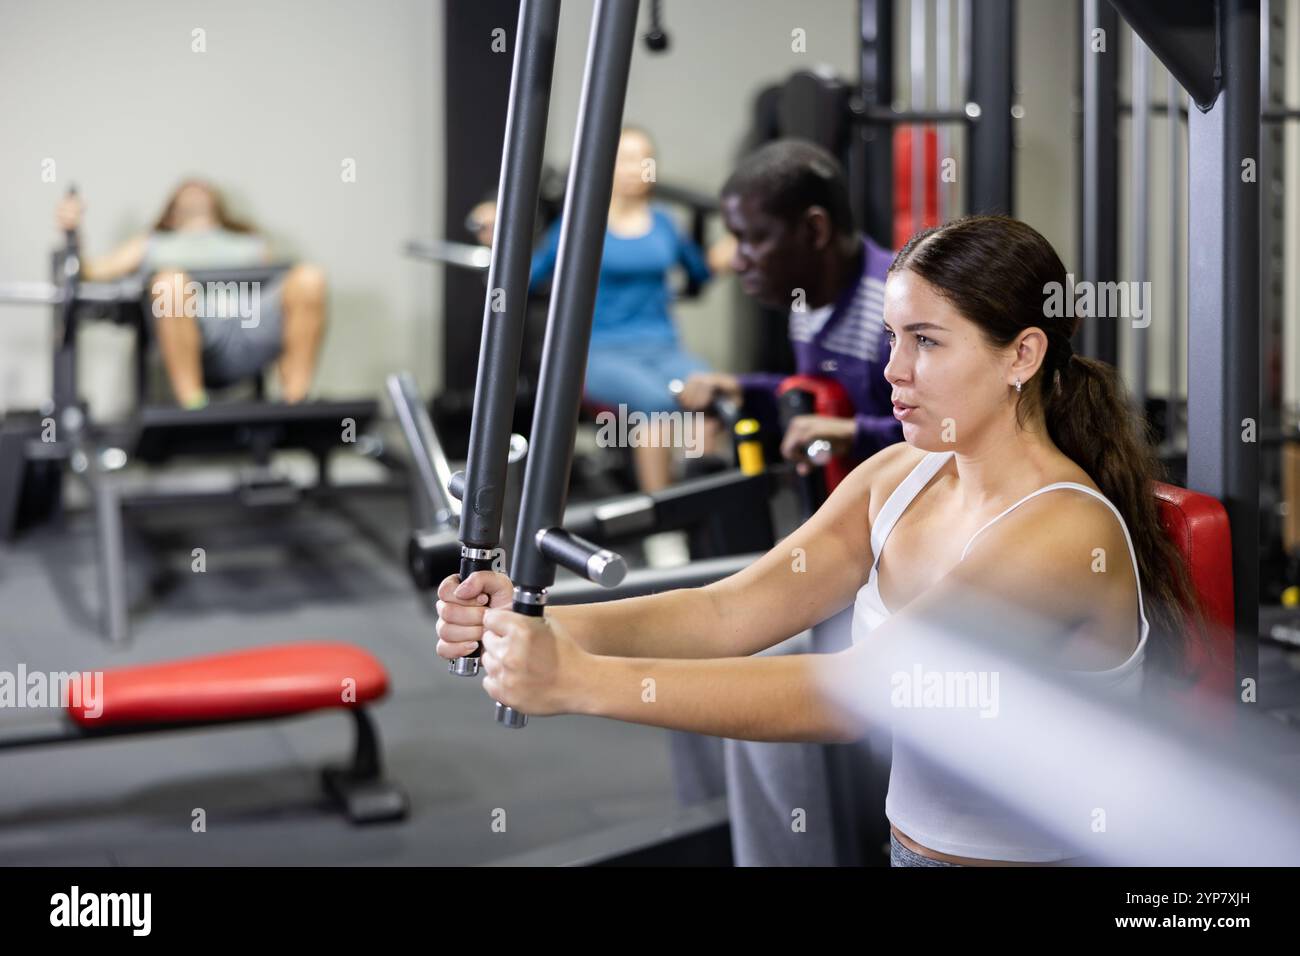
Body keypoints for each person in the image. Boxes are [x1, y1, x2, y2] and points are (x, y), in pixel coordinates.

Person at [434, 215, 1207, 866]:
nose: (894, 369)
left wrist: (578, 683)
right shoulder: (899, 474)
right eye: (894, 337)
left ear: (1022, 355)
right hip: (911, 851)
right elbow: (727, 614)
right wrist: (534, 623)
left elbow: (851, 696)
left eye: (929, 342)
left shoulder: (1060, 531)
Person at [470, 127, 733, 496]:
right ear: (605, 165)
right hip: (600, 353)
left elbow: (699, 272)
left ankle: (705, 509)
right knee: (658, 407)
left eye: (643, 159)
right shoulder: (580, 223)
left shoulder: (665, 224)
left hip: (663, 348)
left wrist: (735, 243)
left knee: (713, 400)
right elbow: (527, 280)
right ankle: (664, 524)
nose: (635, 168)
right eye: (624, 159)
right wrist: (501, 238)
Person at [676, 139, 903, 472]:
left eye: (751, 239)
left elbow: (946, 439)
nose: (737, 262)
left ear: (815, 230)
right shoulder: (805, 299)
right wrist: (744, 391)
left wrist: (853, 435)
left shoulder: (898, 308)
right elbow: (825, 402)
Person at [55, 180, 326, 408]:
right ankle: (193, 404)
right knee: (170, 282)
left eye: (201, 190)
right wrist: (73, 232)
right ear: (172, 213)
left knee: (309, 278)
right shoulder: (152, 243)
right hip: (194, 333)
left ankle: (296, 401)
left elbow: (290, 298)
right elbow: (89, 271)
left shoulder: (248, 242)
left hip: (248, 327)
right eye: (187, 192)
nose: (195, 191)